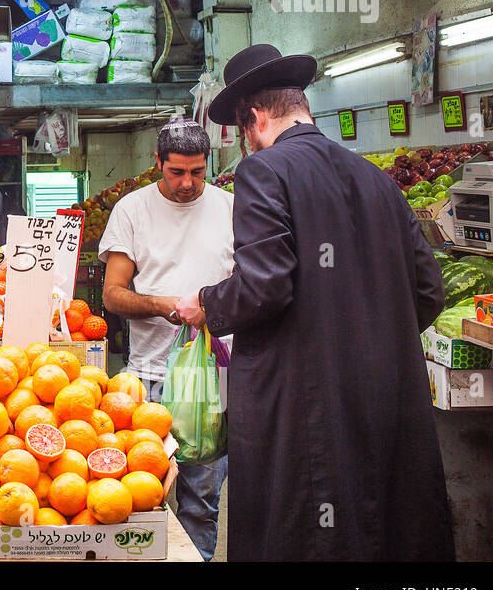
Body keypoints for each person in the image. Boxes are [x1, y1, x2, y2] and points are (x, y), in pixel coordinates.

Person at [175, 43, 453, 562]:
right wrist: (368, 337)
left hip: (300, 398)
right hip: (386, 396)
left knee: (305, 526)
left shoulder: (264, 172)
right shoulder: (378, 179)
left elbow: (265, 285)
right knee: (383, 526)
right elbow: (428, 291)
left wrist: (206, 304)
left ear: (253, 120)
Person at [97, 118, 234, 561]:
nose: (188, 183)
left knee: (201, 502)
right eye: (176, 172)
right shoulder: (132, 210)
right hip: (149, 379)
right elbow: (112, 294)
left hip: (211, 385)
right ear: (157, 162)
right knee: (141, 499)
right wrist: (163, 305)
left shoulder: (233, 207)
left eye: (197, 171)